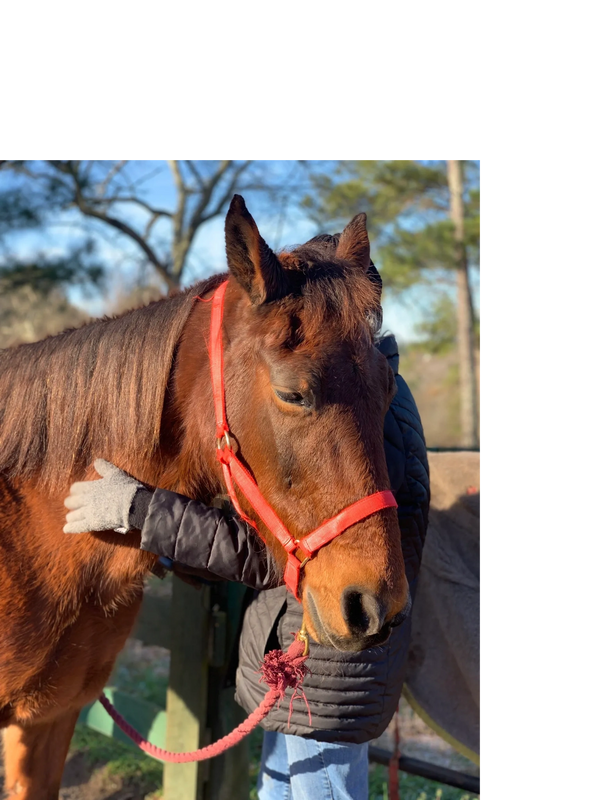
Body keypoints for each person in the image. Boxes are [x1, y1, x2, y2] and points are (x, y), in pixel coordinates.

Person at [64, 264, 429, 800]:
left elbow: (270, 555)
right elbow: (277, 525)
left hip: (328, 669)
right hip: (301, 665)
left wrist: (144, 512)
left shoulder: (350, 407)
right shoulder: (364, 386)